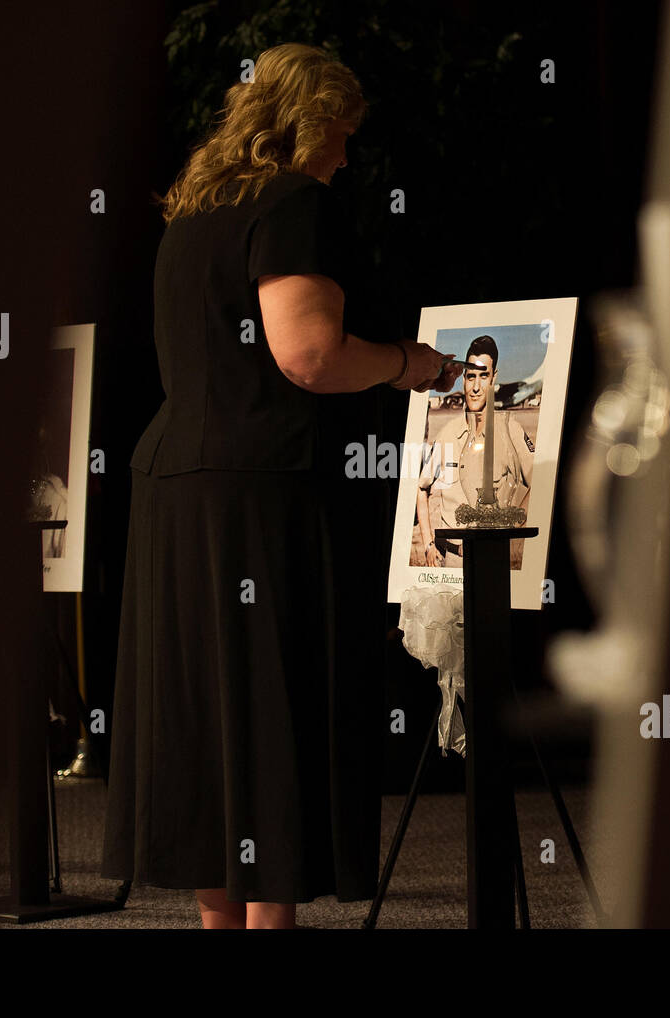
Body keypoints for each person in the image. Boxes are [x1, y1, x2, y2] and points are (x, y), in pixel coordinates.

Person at [99, 43, 459, 930]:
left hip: (178, 492)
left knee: (211, 732)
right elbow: (308, 356)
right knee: (271, 720)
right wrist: (409, 364)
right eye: (339, 134)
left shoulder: (193, 213)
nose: (346, 156)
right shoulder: (295, 201)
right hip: (260, 501)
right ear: (304, 125)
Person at [415, 334, 534, 567]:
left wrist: (510, 525)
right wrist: (429, 543)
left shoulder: (511, 430)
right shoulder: (447, 434)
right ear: (463, 380)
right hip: (450, 560)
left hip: (491, 558)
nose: (477, 387)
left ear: (494, 378)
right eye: (471, 377)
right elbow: (422, 488)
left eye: (484, 376)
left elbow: (540, 482)